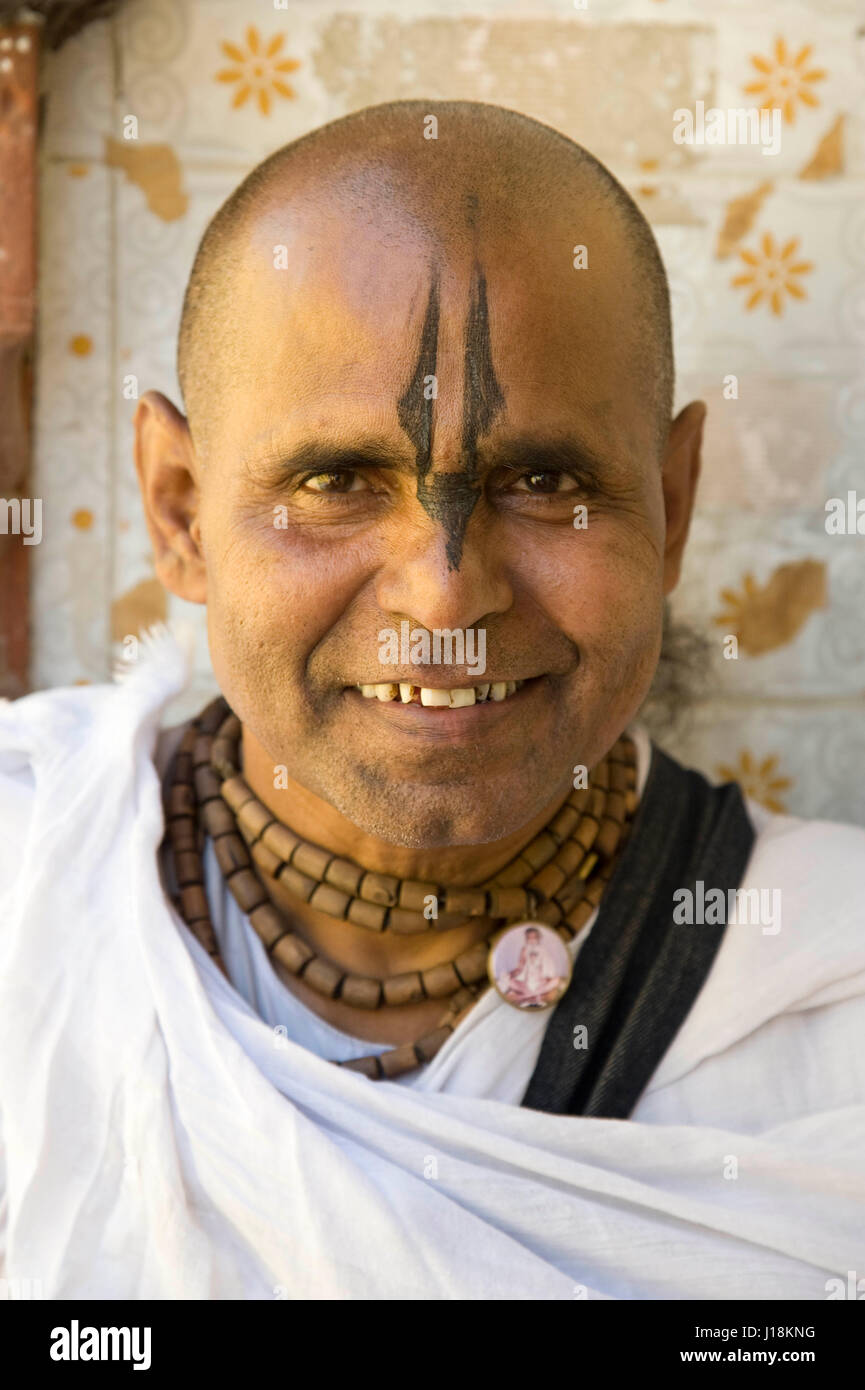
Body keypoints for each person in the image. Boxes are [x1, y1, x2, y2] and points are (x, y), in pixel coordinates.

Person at [0, 100, 862, 1301]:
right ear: (180, 509)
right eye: (337, 480)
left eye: (546, 479)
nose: (446, 595)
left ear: (670, 501)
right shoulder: (27, 887)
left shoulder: (828, 992)